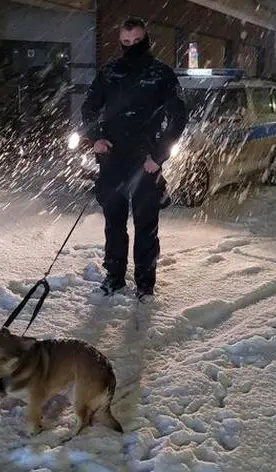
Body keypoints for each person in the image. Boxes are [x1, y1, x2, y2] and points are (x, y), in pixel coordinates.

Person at [80, 17, 187, 302]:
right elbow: (89, 107)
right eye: (125, 43)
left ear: (146, 40)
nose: (130, 47)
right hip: (112, 160)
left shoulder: (161, 74)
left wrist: (160, 156)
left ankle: (145, 285)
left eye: (136, 42)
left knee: (145, 226)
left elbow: (178, 117)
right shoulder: (110, 73)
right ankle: (114, 277)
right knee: (114, 223)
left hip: (146, 162)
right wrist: (96, 139)